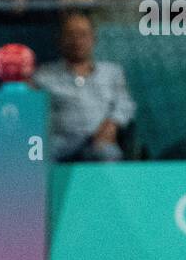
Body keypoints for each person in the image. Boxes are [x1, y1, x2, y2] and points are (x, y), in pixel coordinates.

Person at [31, 12, 136, 162]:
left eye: (83, 35)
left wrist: (112, 124)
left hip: (98, 141)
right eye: (71, 35)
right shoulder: (43, 76)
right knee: (37, 155)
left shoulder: (112, 72)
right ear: (60, 40)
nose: (77, 41)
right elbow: (31, 106)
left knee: (108, 154)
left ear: (94, 39)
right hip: (59, 141)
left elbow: (125, 104)